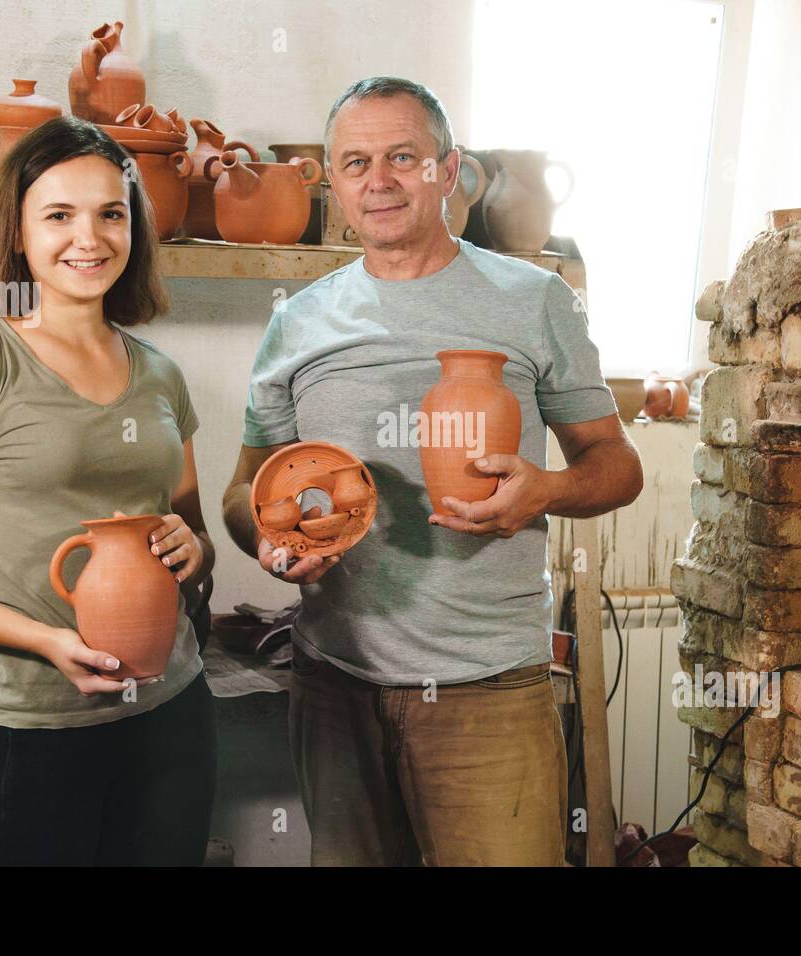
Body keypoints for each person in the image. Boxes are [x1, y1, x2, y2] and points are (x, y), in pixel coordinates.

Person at [222, 76, 643, 866]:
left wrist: (546, 490)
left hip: (489, 686)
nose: (378, 181)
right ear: (334, 185)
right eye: (355, 163)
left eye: (402, 157)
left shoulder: (534, 300)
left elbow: (617, 466)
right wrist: (271, 542)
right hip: (337, 681)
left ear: (448, 173)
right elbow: (244, 492)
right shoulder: (297, 322)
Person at [0, 117, 217, 866]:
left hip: (169, 716)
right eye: (58, 215)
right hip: (27, 728)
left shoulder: (160, 374)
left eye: (110, 214)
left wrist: (196, 547)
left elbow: (193, 536)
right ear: (18, 233)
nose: (89, 237)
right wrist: (46, 640)